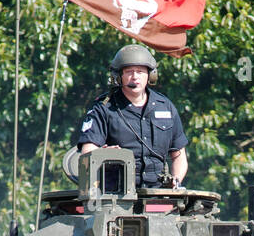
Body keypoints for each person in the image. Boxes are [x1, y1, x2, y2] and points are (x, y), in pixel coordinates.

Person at [77, 44, 189, 188]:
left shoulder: (165, 106)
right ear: (118, 76)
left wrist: (176, 180)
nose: (135, 77)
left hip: (159, 194)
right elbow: (87, 153)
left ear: (151, 75)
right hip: (116, 195)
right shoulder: (104, 108)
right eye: (129, 72)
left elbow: (179, 155)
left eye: (140, 71)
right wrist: (102, 154)